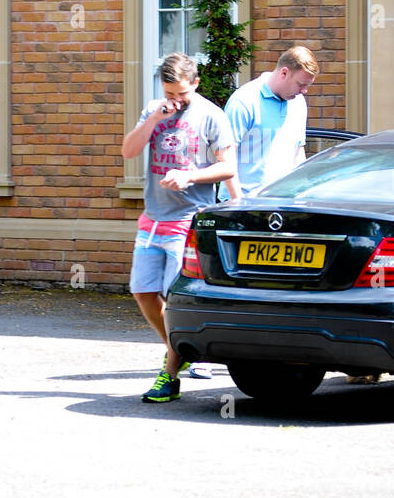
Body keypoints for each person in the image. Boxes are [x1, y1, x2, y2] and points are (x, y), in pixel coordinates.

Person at [121, 52, 236, 404]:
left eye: (182, 94)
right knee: (142, 291)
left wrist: (190, 175)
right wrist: (155, 116)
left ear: (196, 83)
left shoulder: (212, 116)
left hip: (188, 221)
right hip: (152, 220)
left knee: (176, 299)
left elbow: (228, 168)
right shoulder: (155, 110)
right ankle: (179, 348)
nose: (176, 100)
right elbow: (129, 151)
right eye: (169, 92)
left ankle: (169, 376)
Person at [222, 44, 319, 197]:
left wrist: (302, 194)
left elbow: (298, 151)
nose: (304, 91)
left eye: (308, 85)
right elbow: (226, 156)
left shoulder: (298, 102)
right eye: (301, 84)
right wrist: (237, 203)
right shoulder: (244, 101)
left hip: (283, 203)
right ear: (284, 73)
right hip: (244, 202)